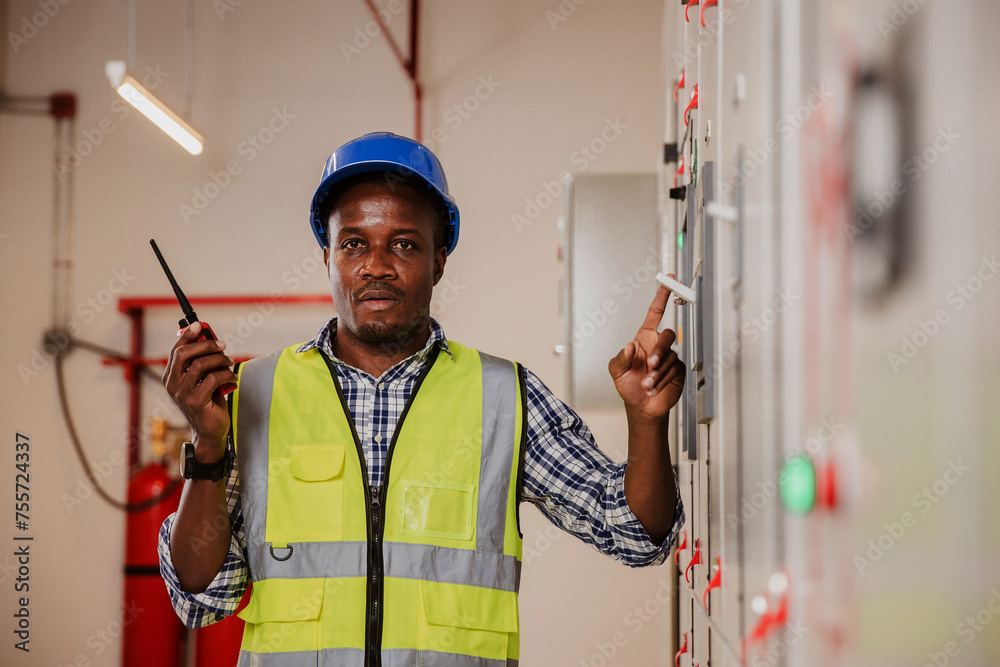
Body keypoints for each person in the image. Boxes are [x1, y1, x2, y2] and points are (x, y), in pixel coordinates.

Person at [157, 132, 686, 666]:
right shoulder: (250, 396)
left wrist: (646, 422)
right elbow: (201, 596)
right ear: (328, 258)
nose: (377, 265)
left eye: (404, 244)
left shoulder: (505, 397)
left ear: (439, 261)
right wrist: (207, 445)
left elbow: (637, 536)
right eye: (354, 243)